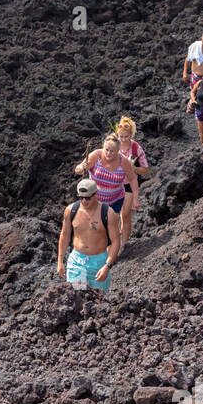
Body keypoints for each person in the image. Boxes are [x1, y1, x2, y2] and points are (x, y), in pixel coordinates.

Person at [57, 178, 120, 291]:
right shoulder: (71, 210)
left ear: (96, 195)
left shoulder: (108, 213)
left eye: (88, 198)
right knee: (77, 297)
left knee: (99, 301)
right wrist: (60, 261)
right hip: (76, 262)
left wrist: (107, 266)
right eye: (81, 197)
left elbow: (116, 242)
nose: (84, 201)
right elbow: (65, 235)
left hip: (99, 263)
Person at [74, 133, 139, 221]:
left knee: (110, 227)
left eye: (112, 151)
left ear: (118, 150)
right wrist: (82, 168)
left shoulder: (123, 161)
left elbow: (132, 178)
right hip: (94, 201)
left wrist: (135, 199)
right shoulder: (96, 155)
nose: (108, 153)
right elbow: (78, 169)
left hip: (115, 201)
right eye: (106, 150)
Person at [115, 116, 150, 249]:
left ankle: (124, 244)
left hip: (129, 183)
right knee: (113, 216)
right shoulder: (114, 145)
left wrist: (133, 168)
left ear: (131, 135)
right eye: (121, 137)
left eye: (126, 136)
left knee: (125, 215)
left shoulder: (136, 148)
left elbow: (146, 171)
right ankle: (113, 243)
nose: (123, 139)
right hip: (114, 183)